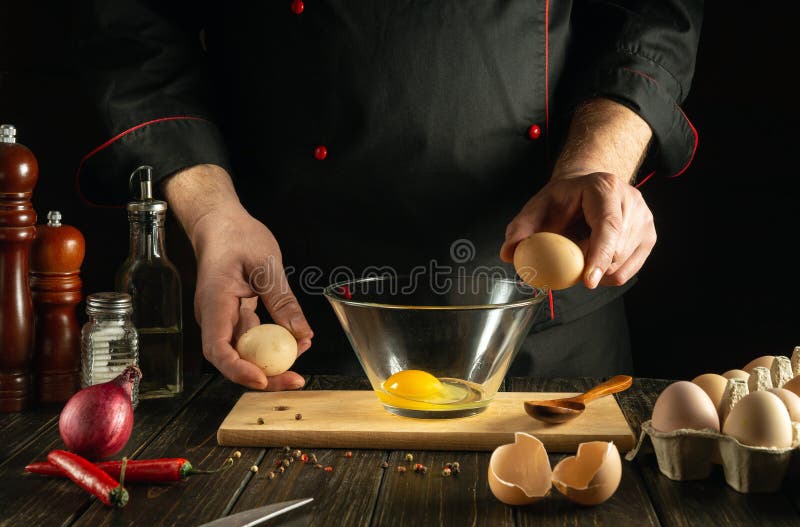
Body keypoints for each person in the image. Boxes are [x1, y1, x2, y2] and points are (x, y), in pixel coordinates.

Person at [76, 1, 703, 390]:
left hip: (540, 325)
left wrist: (598, 162)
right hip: (297, 309)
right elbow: (137, 30)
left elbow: (649, 12)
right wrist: (213, 213)